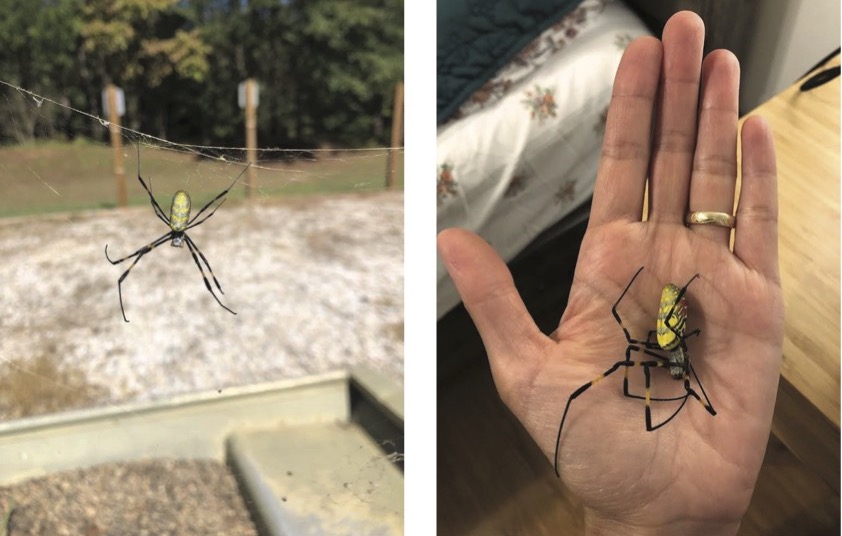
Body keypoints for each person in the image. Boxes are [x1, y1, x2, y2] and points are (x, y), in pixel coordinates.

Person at [437, 10, 783, 536]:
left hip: (673, 320)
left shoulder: (674, 356)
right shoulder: (672, 357)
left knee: (653, 358)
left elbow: (673, 354)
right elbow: (669, 354)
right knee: (647, 359)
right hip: (672, 320)